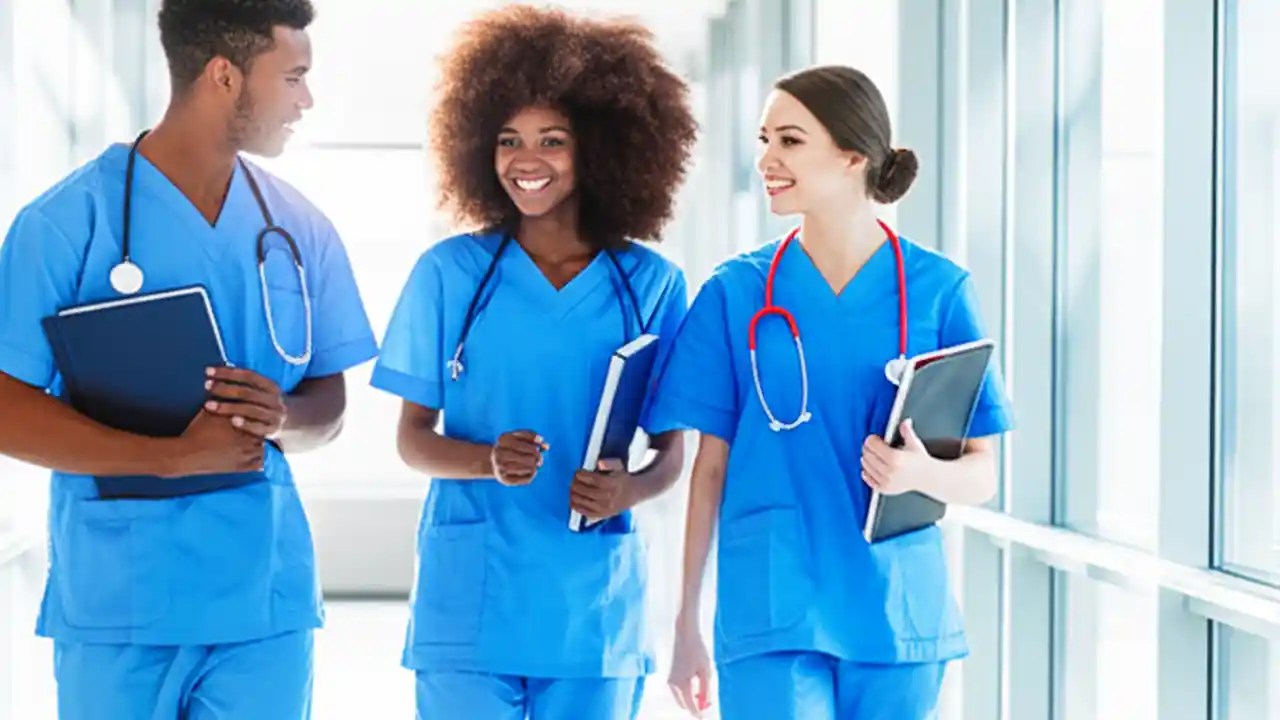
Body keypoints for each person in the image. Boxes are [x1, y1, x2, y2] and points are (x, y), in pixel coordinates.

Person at [0, 1, 378, 718]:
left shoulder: (299, 229)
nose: (307, 100)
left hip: (262, 606)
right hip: (120, 608)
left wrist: (282, 414)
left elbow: (327, 407)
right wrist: (170, 457)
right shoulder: (65, 225)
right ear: (225, 76)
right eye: (293, 77)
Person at [654, 65, 1015, 720]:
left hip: (896, 608)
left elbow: (981, 475)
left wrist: (917, 471)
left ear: (853, 155)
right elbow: (709, 470)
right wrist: (685, 623)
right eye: (765, 139)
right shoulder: (736, 293)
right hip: (771, 604)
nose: (766, 159)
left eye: (789, 141)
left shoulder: (939, 291)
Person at [368, 5, 697, 719]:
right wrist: (487, 459)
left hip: (594, 611)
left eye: (553, 140)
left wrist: (629, 492)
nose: (527, 160)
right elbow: (411, 438)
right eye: (509, 140)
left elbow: (673, 450)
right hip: (470, 610)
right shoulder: (449, 275)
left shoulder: (652, 285)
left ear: (602, 150)